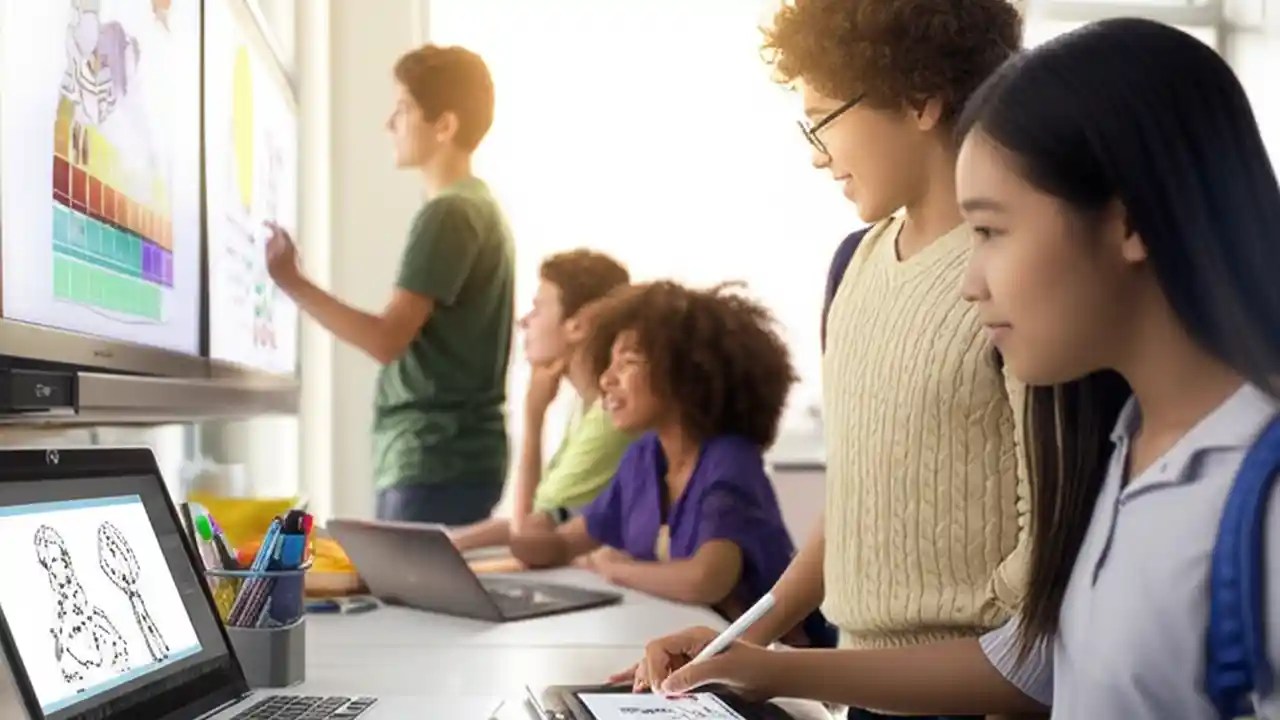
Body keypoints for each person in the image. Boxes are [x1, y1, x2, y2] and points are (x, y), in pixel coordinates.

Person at [636, 18, 1280, 720]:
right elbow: (1038, 661)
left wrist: (778, 668)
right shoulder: (1135, 445)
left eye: (991, 232)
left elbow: (1029, 657)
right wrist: (754, 654)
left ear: (1130, 224)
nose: (970, 282)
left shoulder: (1246, 491)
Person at [621, 2, 1027, 716]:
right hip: (861, 693)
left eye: (824, 120)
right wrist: (737, 645)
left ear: (921, 99)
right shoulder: (854, 266)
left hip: (977, 695)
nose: (816, 153)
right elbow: (855, 506)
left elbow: (1039, 572)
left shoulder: (1016, 274)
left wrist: (783, 671)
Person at [265, 45, 515, 525]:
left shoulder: (449, 213)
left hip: (435, 458)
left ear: (444, 126)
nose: (389, 124)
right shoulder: (481, 208)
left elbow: (386, 339)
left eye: (403, 109)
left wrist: (293, 282)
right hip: (457, 459)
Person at [510, 282, 833, 646]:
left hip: (780, 662)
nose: (606, 379)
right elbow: (563, 545)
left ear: (683, 373)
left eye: (627, 363)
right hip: (702, 652)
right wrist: (529, 533)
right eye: (609, 364)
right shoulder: (644, 457)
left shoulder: (729, 460)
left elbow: (706, 580)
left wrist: (616, 568)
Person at [450, 250, 634, 551]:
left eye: (537, 309)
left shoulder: (609, 419)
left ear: (579, 325)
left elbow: (527, 535)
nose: (524, 321)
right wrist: (450, 542)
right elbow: (538, 519)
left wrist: (533, 418)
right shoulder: (585, 408)